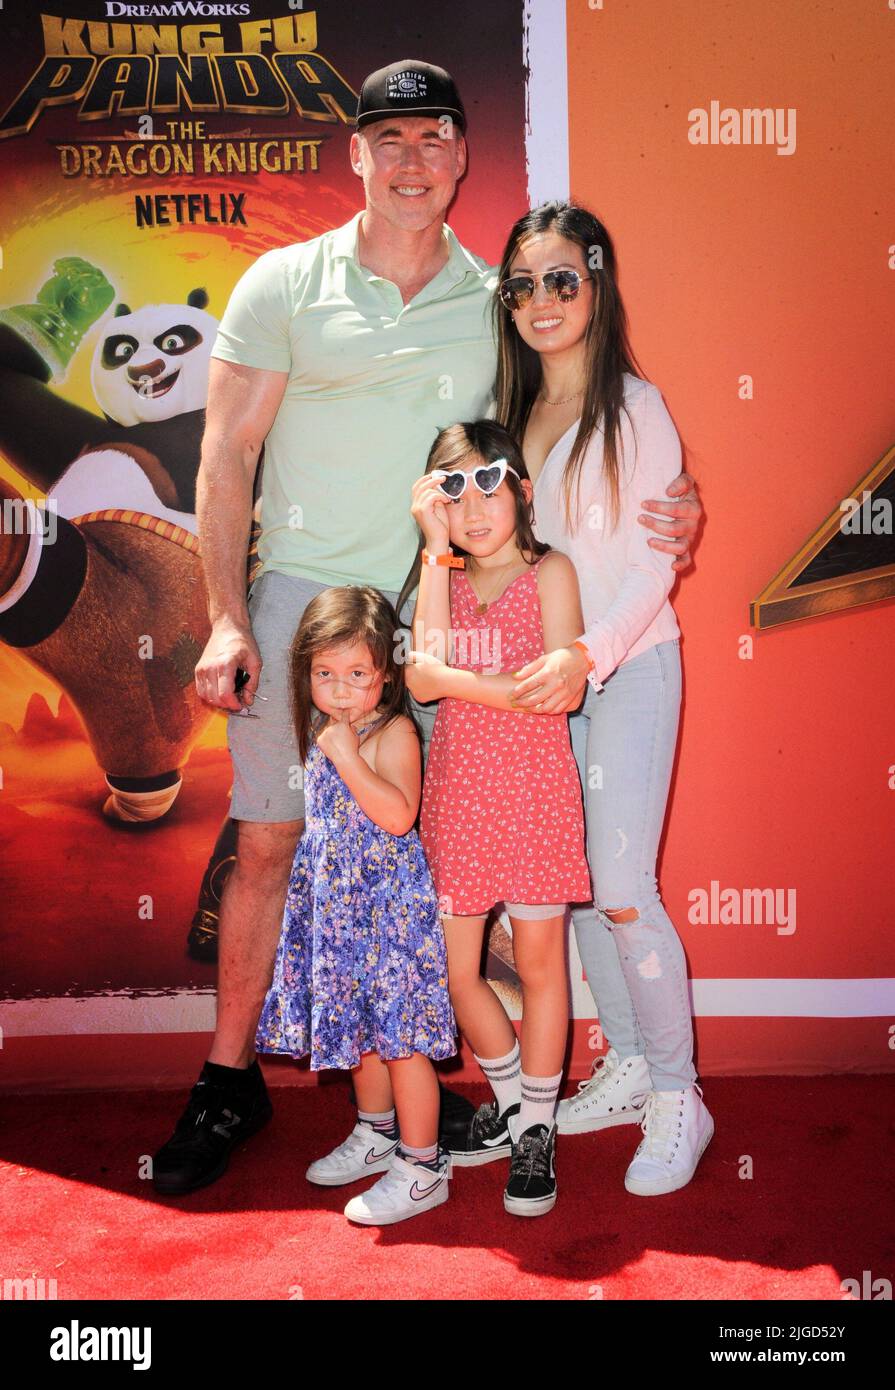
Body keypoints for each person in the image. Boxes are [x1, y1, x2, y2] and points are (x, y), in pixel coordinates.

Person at [151, 57, 702, 1198]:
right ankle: (231, 1078)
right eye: (386, 138)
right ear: (353, 153)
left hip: (451, 615)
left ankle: (490, 1097)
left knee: (456, 862)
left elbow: (566, 454)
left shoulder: (486, 306)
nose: (410, 159)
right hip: (304, 602)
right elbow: (226, 452)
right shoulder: (282, 284)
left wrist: (672, 507)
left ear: (460, 158)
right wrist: (218, 613)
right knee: (271, 841)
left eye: (432, 137)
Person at [490, 201, 712, 1195]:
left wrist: (589, 654)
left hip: (626, 671)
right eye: (523, 285)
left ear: (596, 284)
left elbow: (654, 569)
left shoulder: (637, 406)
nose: (542, 300)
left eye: (562, 280)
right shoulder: (507, 419)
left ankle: (678, 1091)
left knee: (622, 886)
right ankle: (623, 1060)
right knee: (574, 884)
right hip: (540, 687)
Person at [408, 420, 592, 1216]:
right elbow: (417, 684)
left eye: (488, 481)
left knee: (543, 966)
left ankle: (536, 1131)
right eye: (451, 488)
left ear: (519, 487)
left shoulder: (552, 572)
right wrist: (430, 552)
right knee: (458, 975)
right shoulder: (437, 576)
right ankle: (520, 1109)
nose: (472, 504)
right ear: (432, 505)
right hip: (457, 798)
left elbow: (559, 688)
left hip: (535, 795)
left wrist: (455, 676)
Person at [254, 585, 456, 1225]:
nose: (340, 690)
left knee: (401, 1041)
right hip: (340, 911)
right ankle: (376, 1132)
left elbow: (398, 816)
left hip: (388, 913)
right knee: (361, 1033)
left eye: (357, 674)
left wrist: (347, 757)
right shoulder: (328, 729)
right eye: (324, 674)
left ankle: (425, 1167)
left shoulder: (391, 731)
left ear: (387, 673)